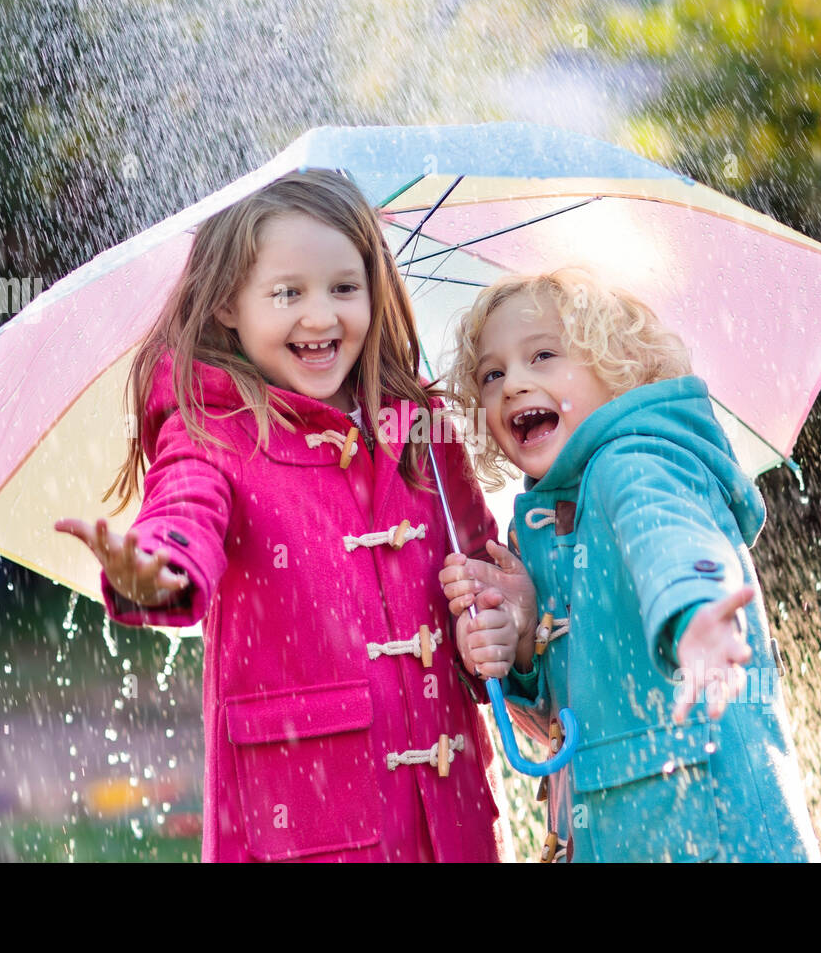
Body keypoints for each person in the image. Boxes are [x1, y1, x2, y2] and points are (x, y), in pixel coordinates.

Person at [56, 168, 511, 862]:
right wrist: (159, 569)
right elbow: (184, 506)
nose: (322, 316)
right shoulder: (214, 430)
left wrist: (500, 626)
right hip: (302, 819)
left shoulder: (420, 426)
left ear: (376, 289)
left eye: (344, 288)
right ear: (228, 305)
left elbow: (483, 571)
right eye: (287, 293)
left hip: (449, 822)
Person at [439, 267, 821, 862]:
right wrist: (521, 639)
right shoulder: (543, 526)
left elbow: (671, 537)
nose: (513, 383)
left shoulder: (633, 463)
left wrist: (695, 613)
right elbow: (558, 722)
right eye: (493, 374)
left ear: (617, 369)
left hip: (708, 831)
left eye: (542, 356)